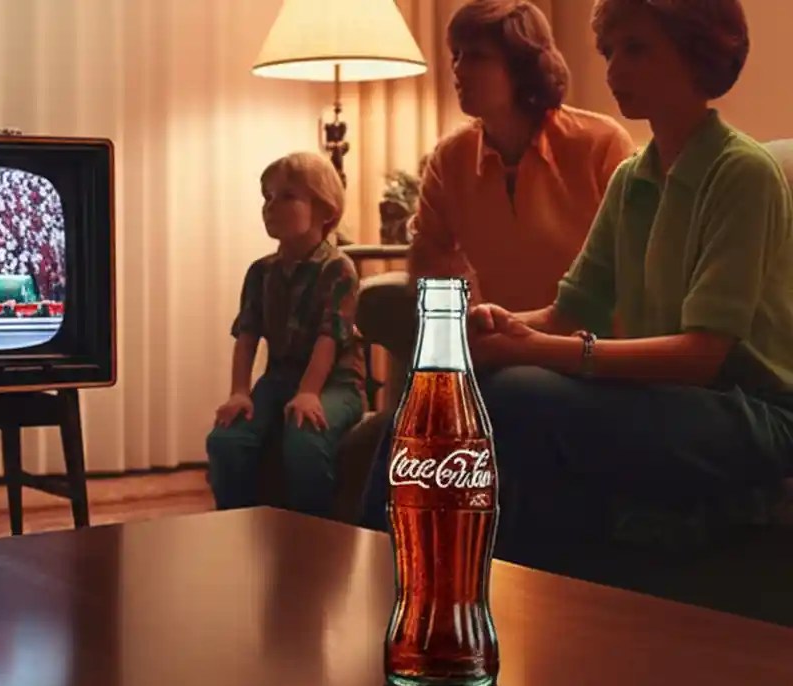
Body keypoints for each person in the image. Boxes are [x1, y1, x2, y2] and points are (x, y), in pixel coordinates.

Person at [360, 0, 793, 567]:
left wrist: (539, 349)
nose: (614, 69)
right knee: (442, 389)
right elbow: (570, 309)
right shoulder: (631, 179)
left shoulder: (742, 172)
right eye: (609, 52)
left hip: (752, 411)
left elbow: (703, 356)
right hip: (673, 399)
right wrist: (508, 325)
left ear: (698, 51)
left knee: (517, 393)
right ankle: (378, 571)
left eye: (636, 49)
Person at [409, 0, 637, 311]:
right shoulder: (450, 159)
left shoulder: (600, 144)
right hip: (499, 344)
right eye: (456, 55)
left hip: (587, 347)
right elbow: (429, 261)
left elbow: (636, 269)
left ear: (522, 67)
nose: (458, 69)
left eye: (476, 56)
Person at [207, 152, 365, 518]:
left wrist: (309, 393)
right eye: (267, 197)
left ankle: (317, 535)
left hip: (335, 383)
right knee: (226, 441)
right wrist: (240, 392)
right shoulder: (261, 272)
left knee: (304, 441)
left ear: (325, 211)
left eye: (286, 196)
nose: (270, 206)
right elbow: (246, 335)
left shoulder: (338, 269)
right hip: (279, 379)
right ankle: (238, 526)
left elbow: (330, 337)